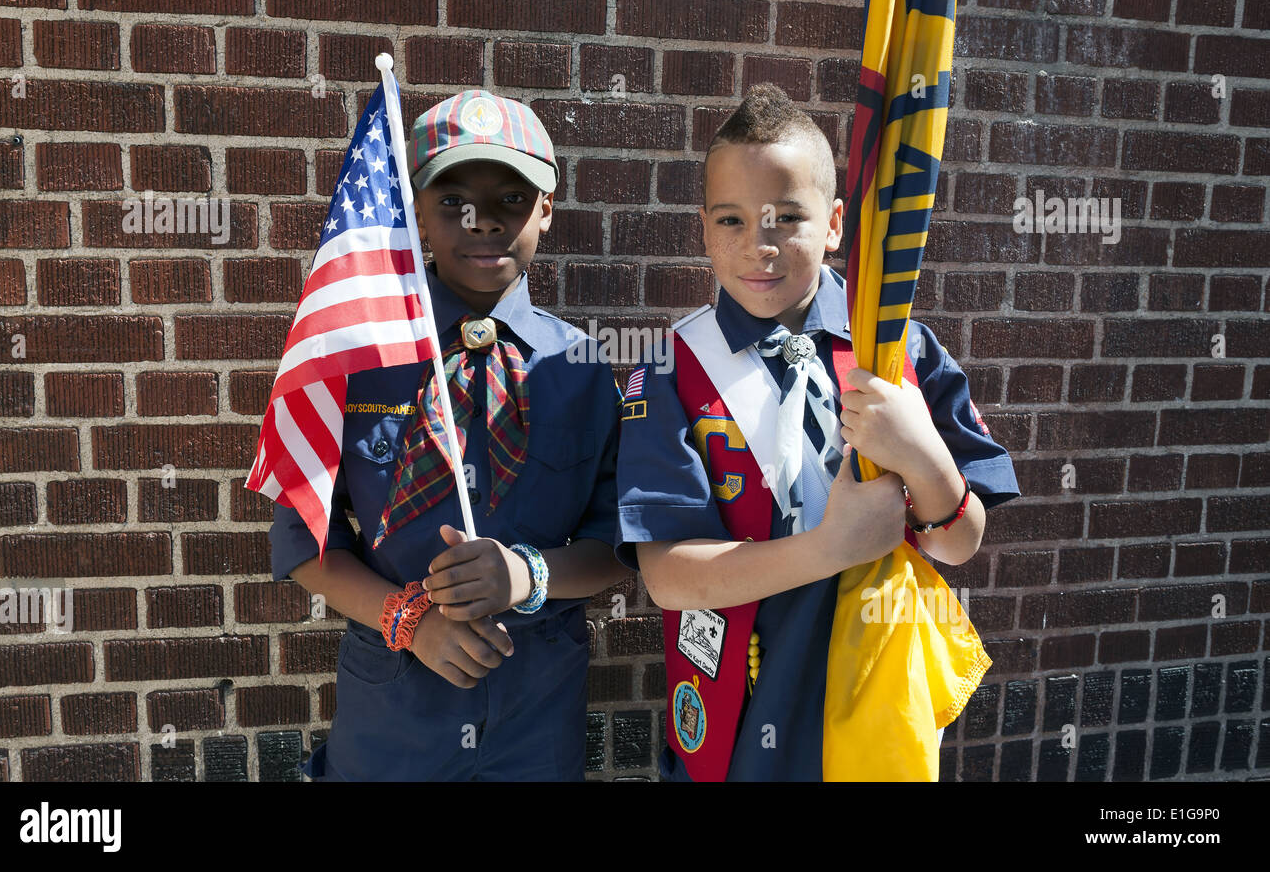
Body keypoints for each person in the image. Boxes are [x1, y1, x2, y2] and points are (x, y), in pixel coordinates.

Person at [615, 82, 1021, 781]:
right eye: (733, 221)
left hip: (872, 712)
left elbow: (961, 541)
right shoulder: (669, 371)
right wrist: (830, 548)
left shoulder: (899, 352)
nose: (759, 246)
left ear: (834, 223)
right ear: (704, 228)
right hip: (739, 727)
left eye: (786, 218)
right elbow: (670, 577)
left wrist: (923, 457)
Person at [270, 90, 630, 781]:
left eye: (511, 200)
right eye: (453, 200)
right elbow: (304, 538)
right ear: (417, 216)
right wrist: (407, 618)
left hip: (537, 715)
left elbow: (621, 545)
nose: (482, 222)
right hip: (393, 716)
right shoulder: (356, 359)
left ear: (547, 210)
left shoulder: (581, 372)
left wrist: (529, 572)